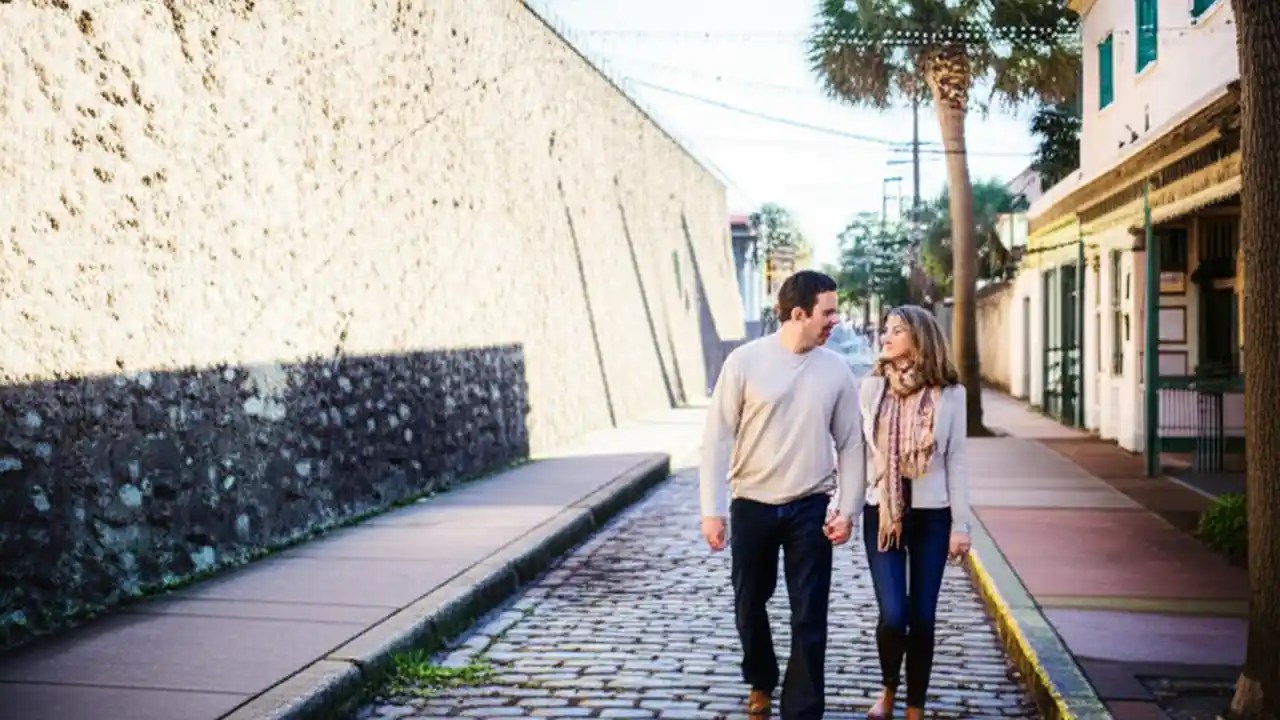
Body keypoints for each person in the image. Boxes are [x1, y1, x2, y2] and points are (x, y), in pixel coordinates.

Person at [699, 270, 866, 720]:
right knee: (749, 602)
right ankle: (761, 677)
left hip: (810, 507)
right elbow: (716, 438)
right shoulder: (745, 362)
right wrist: (711, 510)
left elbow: (852, 443)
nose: (835, 319)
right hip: (751, 502)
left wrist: (848, 508)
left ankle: (802, 709)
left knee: (810, 614)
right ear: (799, 313)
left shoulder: (836, 370)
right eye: (827, 312)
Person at [848, 305, 973, 720]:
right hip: (882, 514)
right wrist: (843, 509)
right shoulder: (870, 389)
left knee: (921, 617)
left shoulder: (951, 395)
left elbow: (956, 460)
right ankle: (888, 690)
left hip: (932, 517)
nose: (886, 337)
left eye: (896, 330)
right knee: (892, 616)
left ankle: (914, 706)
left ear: (918, 338)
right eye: (886, 329)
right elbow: (860, 456)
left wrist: (961, 525)